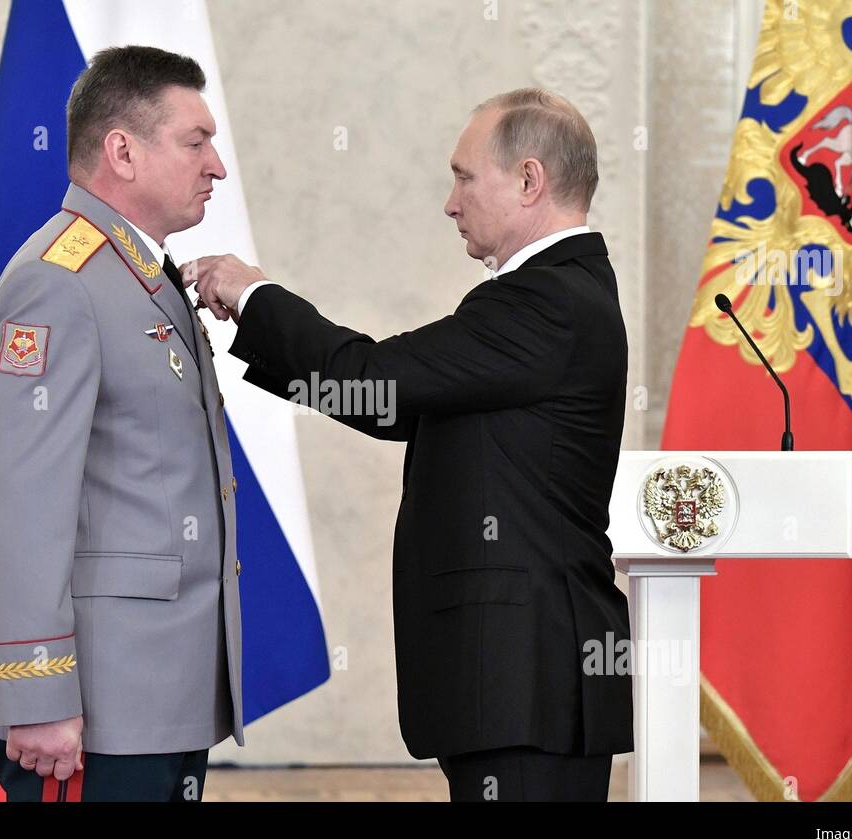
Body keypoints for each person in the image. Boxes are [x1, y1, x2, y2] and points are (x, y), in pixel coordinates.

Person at [188, 89, 632, 802]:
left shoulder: (547, 299)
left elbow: (375, 376)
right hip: (519, 686)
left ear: (528, 181)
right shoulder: (557, 294)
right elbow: (389, 405)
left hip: (527, 680)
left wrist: (255, 294)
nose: (450, 203)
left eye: (463, 177)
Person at [0, 45, 242, 802]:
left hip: (160, 696)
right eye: (196, 142)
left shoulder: (142, 274)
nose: (216, 166)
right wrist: (37, 694)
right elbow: (20, 504)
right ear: (122, 150)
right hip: (92, 708)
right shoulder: (56, 281)